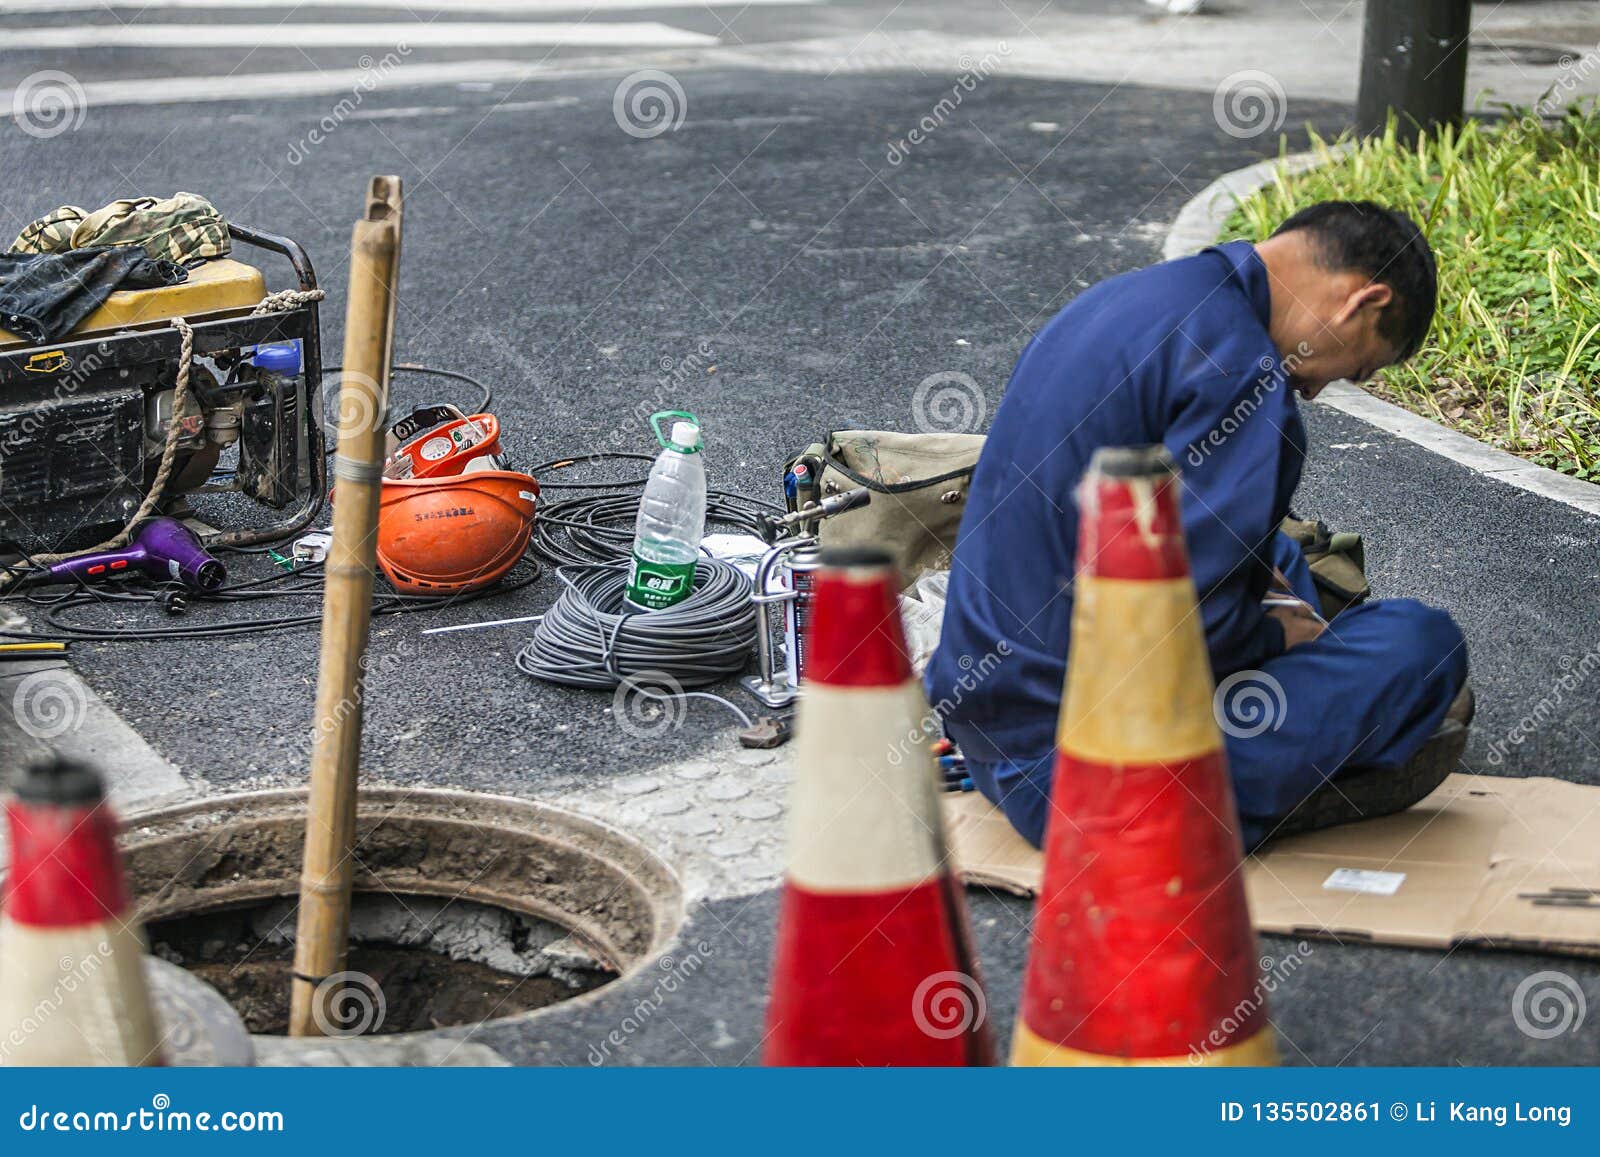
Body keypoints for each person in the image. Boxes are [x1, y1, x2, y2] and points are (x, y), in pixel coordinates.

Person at [925, 201, 1470, 851]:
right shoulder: (1244, 376)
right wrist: (1274, 632)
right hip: (1083, 779)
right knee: (1422, 646)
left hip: (985, 724)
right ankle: (1273, 782)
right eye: (1355, 369)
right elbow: (1187, 636)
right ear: (1362, 301)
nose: (1319, 390)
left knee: (1280, 557)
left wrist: (1261, 590)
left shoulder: (1129, 297)